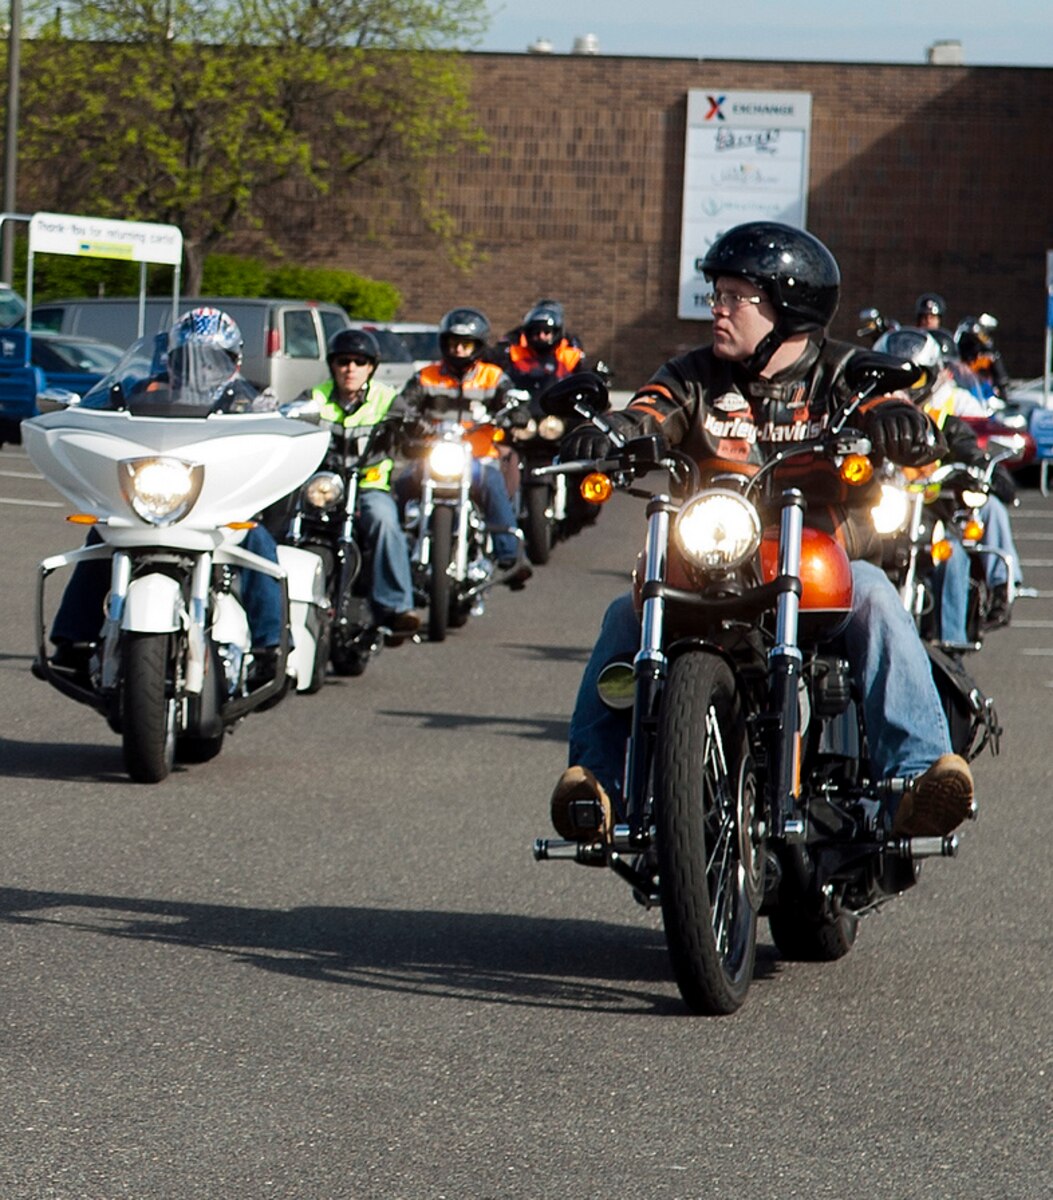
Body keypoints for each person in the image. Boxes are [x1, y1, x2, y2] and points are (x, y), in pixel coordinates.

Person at [550, 222, 976, 845]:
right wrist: (611, 432)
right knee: (626, 613)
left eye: (734, 297)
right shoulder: (692, 374)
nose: (717, 309)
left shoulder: (843, 373)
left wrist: (901, 426)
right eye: (716, 294)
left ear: (787, 307)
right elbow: (649, 411)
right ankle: (598, 788)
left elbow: (890, 406)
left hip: (819, 564)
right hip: (712, 559)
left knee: (877, 597)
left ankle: (917, 778)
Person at [48, 307, 286, 686]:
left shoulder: (254, 400)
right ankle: (73, 641)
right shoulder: (142, 392)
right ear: (170, 358)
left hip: (217, 509)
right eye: (187, 358)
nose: (198, 368)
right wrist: (79, 414)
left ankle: (271, 647)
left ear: (233, 362)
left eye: (211, 360)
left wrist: (286, 423)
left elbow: (278, 435)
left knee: (256, 541)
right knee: (102, 533)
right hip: (152, 502)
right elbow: (101, 415)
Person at [875, 326, 1022, 633]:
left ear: (930, 377)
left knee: (952, 556)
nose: (901, 388)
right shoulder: (867, 414)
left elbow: (971, 448)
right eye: (893, 377)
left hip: (930, 515)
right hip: (877, 516)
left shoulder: (946, 419)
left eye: (912, 379)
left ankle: (951, 647)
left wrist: (983, 470)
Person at [294, 328, 421, 645]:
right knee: (285, 525)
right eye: (343, 362)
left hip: (368, 487)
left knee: (384, 521)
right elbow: (288, 418)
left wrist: (420, 428)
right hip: (324, 491)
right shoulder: (316, 396)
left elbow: (416, 423)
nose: (350, 368)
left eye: (359, 362)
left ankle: (396, 606)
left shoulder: (386, 398)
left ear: (371, 367)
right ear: (333, 365)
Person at [397, 306, 531, 586]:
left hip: (479, 458)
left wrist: (517, 412)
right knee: (401, 484)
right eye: (453, 343)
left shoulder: (492, 377)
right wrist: (403, 416)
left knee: (494, 481)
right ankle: (387, 548)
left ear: (478, 346)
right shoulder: (426, 376)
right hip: (433, 455)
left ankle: (510, 555)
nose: (458, 349)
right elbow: (403, 404)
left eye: (465, 343)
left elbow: (515, 402)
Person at [497, 300, 586, 392]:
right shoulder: (514, 343)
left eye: (546, 332)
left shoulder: (572, 348)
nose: (541, 336)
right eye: (537, 332)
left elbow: (580, 377)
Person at [955, 314, 1012, 402]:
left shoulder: (987, 360)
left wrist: (1001, 392)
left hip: (983, 402)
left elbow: (1001, 384)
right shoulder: (954, 364)